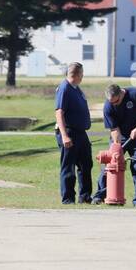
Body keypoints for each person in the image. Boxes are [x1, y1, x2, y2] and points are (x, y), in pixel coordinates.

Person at [93, 83, 136, 207]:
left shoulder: (135, 94)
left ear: (121, 93)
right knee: (110, 166)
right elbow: (114, 129)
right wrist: (116, 148)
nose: (114, 104)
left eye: (116, 102)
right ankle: (100, 196)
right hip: (120, 136)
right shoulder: (108, 106)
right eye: (112, 102)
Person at [54, 62, 93, 204]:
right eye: (81, 74)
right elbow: (59, 113)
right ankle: (68, 198)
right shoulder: (65, 88)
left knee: (85, 164)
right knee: (68, 166)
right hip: (69, 132)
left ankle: (85, 196)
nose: (83, 77)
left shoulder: (76, 88)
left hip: (81, 133)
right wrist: (64, 135)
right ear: (76, 74)